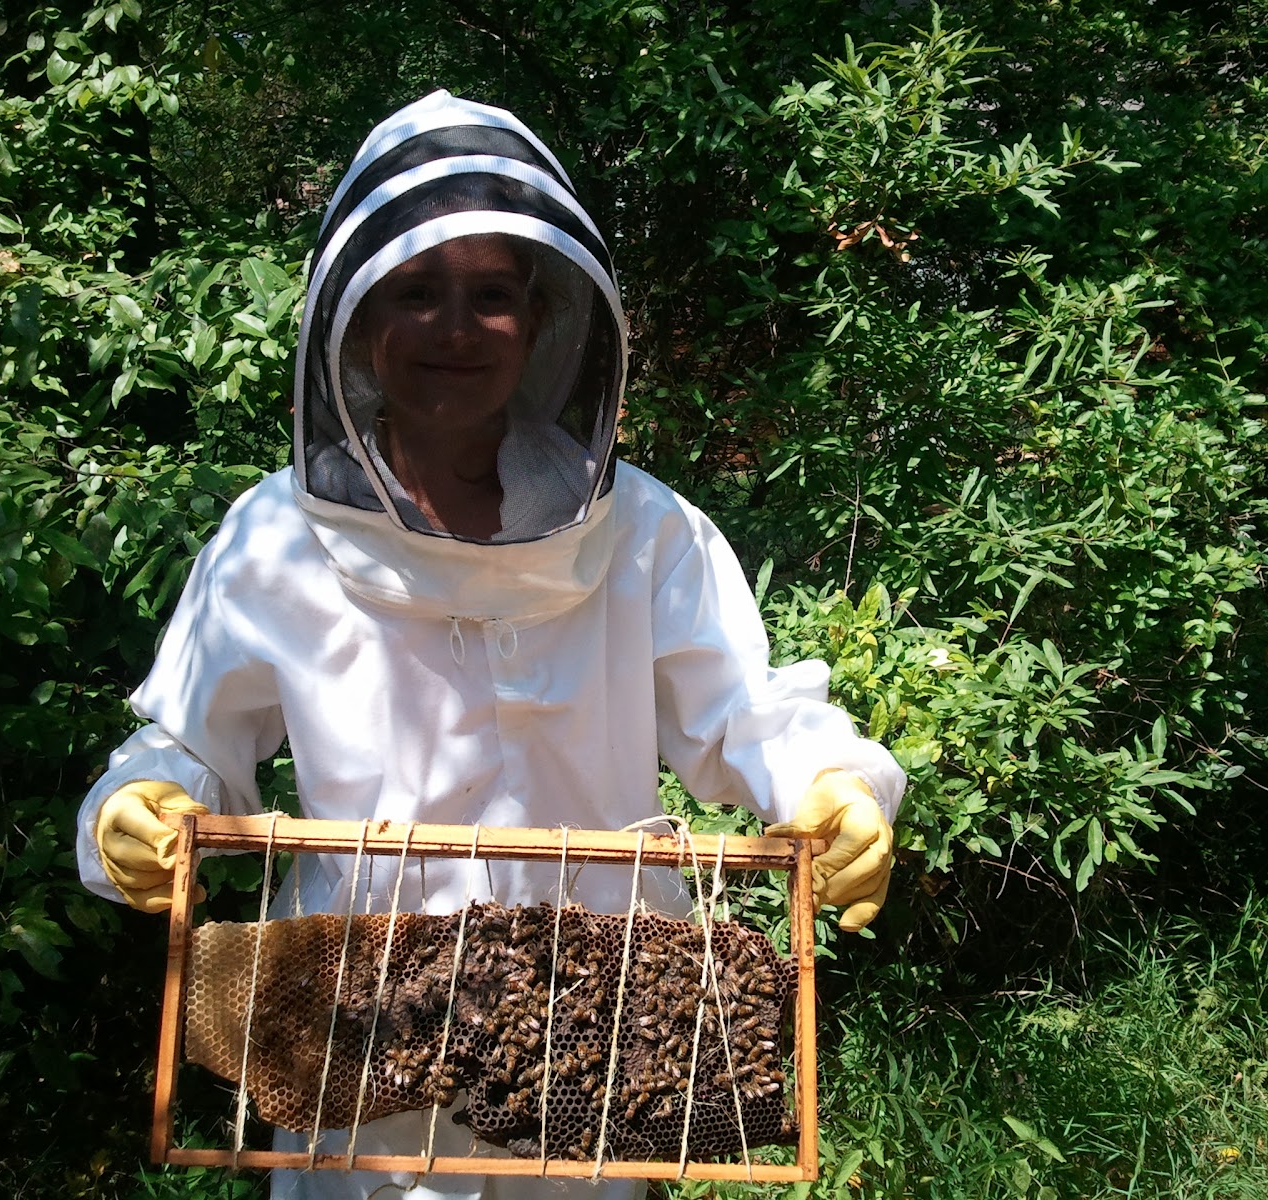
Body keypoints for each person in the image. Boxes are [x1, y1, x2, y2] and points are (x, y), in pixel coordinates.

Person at [76, 90, 905, 1200]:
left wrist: (832, 786)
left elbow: (748, 718)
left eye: (492, 296)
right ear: (360, 320)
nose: (454, 329)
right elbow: (184, 745)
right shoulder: (274, 536)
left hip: (605, 1040)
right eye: (415, 292)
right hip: (358, 1039)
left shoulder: (646, 532)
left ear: (547, 321)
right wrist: (136, 808)